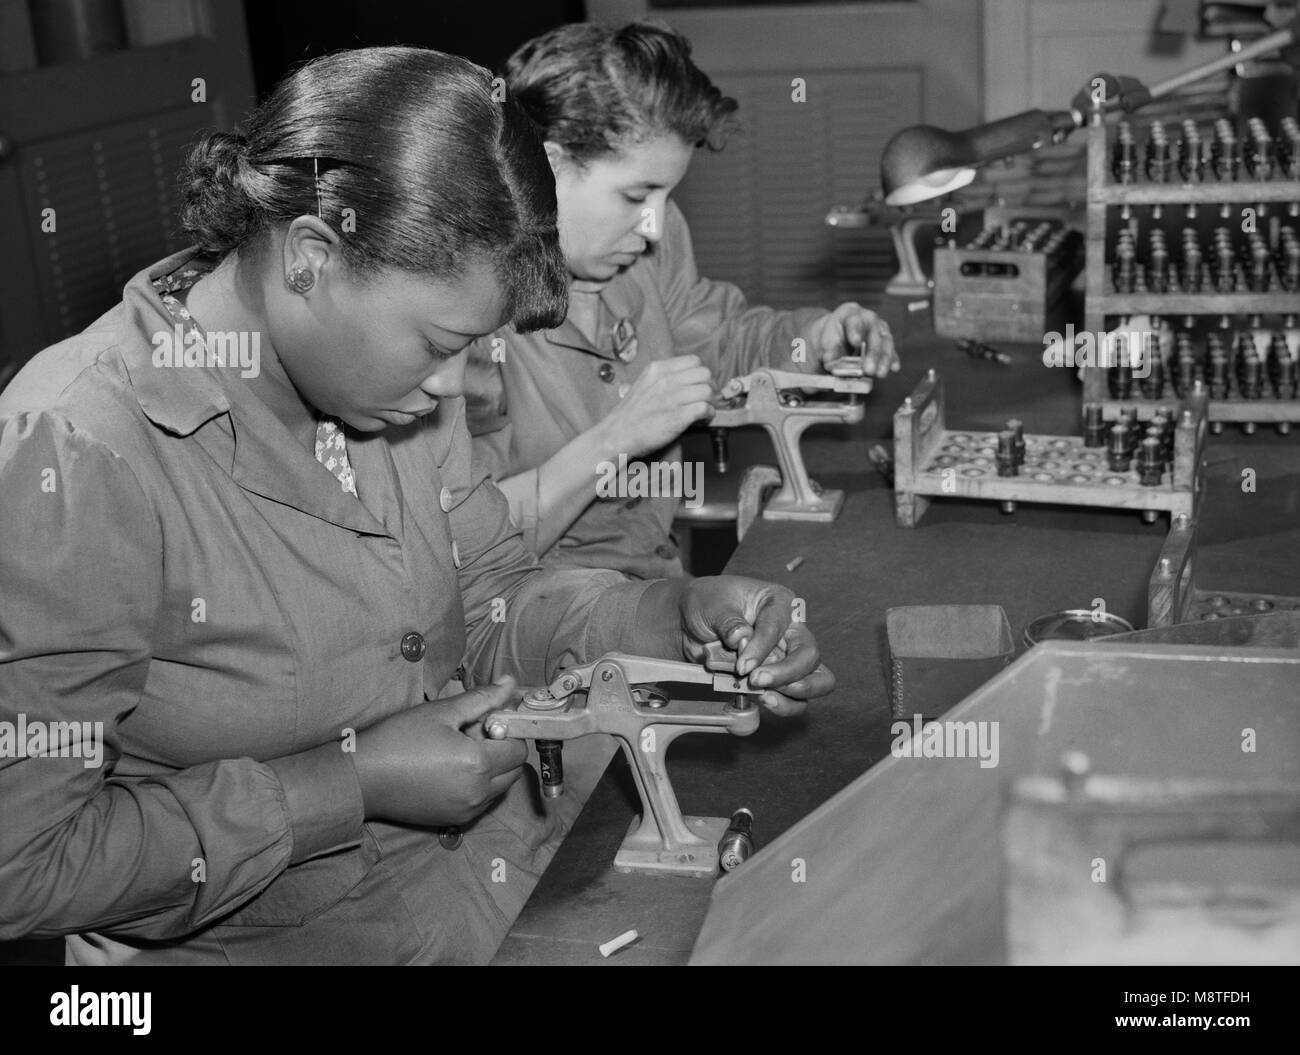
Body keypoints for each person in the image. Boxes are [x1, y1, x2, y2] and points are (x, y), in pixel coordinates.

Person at [0, 47, 832, 966]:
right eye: (437, 343)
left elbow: (490, 598)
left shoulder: (387, 390)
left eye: (469, 349)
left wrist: (661, 616)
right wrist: (347, 782)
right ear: (312, 256)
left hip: (502, 896)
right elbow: (22, 862)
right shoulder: (79, 452)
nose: (449, 390)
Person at [465, 20, 900, 580]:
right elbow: (467, 552)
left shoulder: (654, 234)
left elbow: (711, 339)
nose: (653, 226)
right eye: (636, 194)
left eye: (668, 195)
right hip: (531, 617)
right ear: (547, 168)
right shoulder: (463, 310)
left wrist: (816, 338)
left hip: (653, 571)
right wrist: (616, 439)